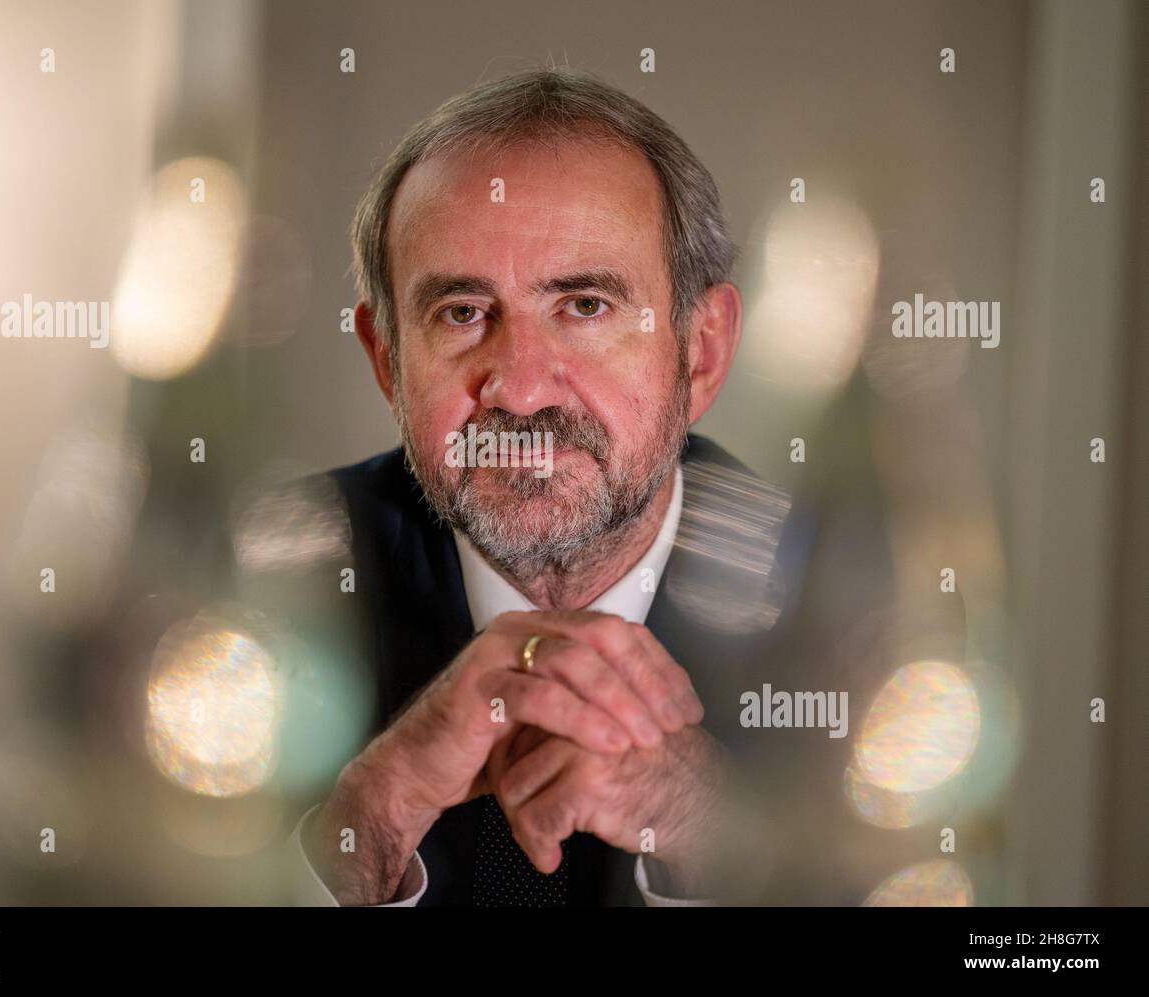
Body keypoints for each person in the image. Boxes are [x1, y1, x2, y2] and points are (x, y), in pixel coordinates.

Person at [272, 67, 804, 906]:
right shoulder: (258, 587)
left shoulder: (853, 609)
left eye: (585, 306)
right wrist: (364, 821)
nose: (521, 390)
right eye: (461, 313)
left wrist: (730, 855)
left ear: (699, 351)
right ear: (387, 359)